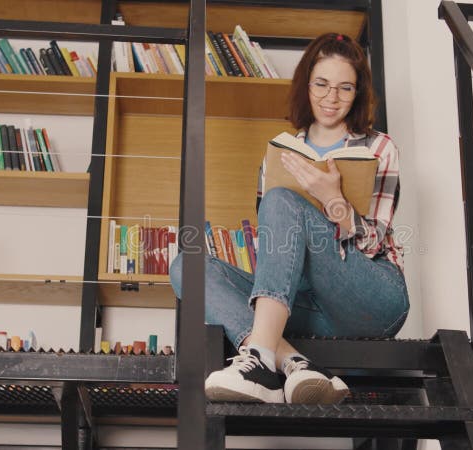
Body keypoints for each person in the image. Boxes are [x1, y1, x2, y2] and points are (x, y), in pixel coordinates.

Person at [169, 32, 409, 404]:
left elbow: (374, 242)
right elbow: (275, 255)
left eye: (345, 88)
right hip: (306, 309)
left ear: (357, 92)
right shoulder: (281, 154)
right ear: (306, 84)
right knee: (187, 267)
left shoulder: (379, 147)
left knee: (281, 199)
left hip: (371, 297)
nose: (332, 98)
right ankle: (295, 362)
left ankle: (260, 362)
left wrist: (333, 199)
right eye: (322, 84)